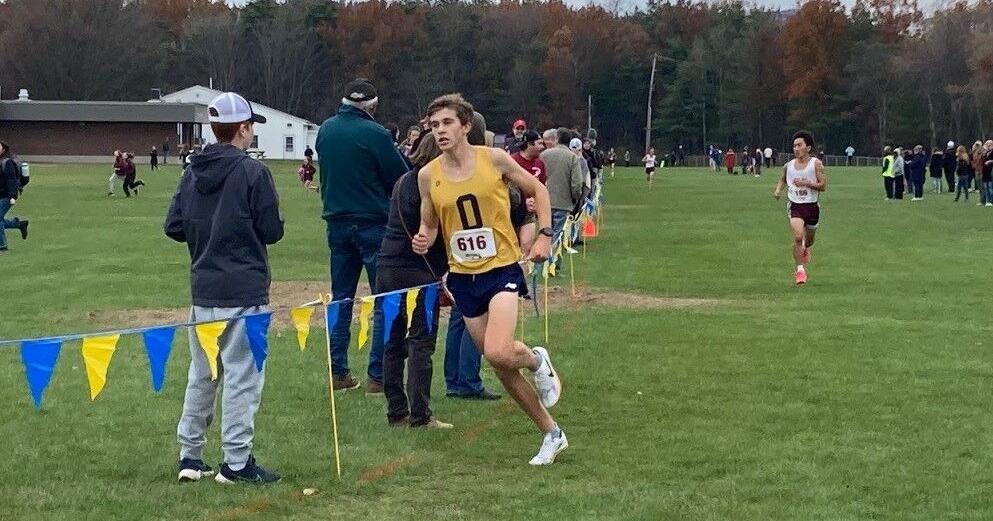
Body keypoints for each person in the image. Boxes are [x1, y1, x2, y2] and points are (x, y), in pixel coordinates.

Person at [412, 94, 566, 465]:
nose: (440, 131)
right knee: (500, 364)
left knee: (498, 351)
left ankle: (536, 360)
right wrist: (423, 238)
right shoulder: (427, 175)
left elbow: (538, 190)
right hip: (463, 277)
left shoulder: (493, 159)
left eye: (447, 123)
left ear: (465, 126)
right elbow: (430, 224)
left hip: (501, 269)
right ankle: (551, 433)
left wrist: (545, 236)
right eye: (435, 125)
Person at [165, 91, 283, 484]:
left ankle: (190, 455)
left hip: (204, 289)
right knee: (242, 377)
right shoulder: (254, 172)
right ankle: (236, 462)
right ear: (243, 128)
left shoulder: (192, 171)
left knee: (202, 374)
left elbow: (174, 226)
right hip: (244, 289)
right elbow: (272, 230)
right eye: (251, 127)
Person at [316, 79, 409, 393]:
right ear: (372, 106)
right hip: (373, 223)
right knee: (383, 298)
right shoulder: (376, 134)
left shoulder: (326, 130)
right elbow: (399, 177)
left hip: (336, 223)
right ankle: (378, 375)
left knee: (341, 297)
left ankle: (338, 371)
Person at [377, 133, 453, 428]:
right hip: (416, 270)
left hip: (387, 265)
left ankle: (396, 410)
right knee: (421, 341)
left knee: (393, 340)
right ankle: (420, 414)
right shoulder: (430, 183)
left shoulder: (403, 180)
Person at [773, 131, 826, 286]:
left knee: (809, 241)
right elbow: (783, 179)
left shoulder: (816, 164)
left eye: (799, 145)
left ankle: (805, 248)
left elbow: (823, 186)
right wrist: (778, 190)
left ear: (808, 148)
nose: (796, 148)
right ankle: (800, 270)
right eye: (794, 146)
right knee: (797, 237)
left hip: (812, 206)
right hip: (795, 205)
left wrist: (807, 184)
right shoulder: (788, 166)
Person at [540, 128, 584, 244]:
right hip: (563, 202)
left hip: (544, 200)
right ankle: (553, 253)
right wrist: (575, 197)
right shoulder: (572, 157)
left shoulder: (543, 155)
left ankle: (545, 252)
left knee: (544, 232)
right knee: (558, 234)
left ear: (557, 139)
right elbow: (577, 183)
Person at [0, 141, 29, 251]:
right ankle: (19, 224)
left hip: (7, 196)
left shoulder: (7, 163)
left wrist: (12, 196)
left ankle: (2, 245)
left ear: (3, 149)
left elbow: (11, 180)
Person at [981, 140, 993, 207]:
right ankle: (987, 201)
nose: (988, 145)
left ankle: (991, 201)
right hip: (985, 171)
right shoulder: (986, 152)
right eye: (987, 144)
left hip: (990, 171)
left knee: (990, 187)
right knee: (986, 187)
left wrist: (990, 161)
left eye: (989, 144)